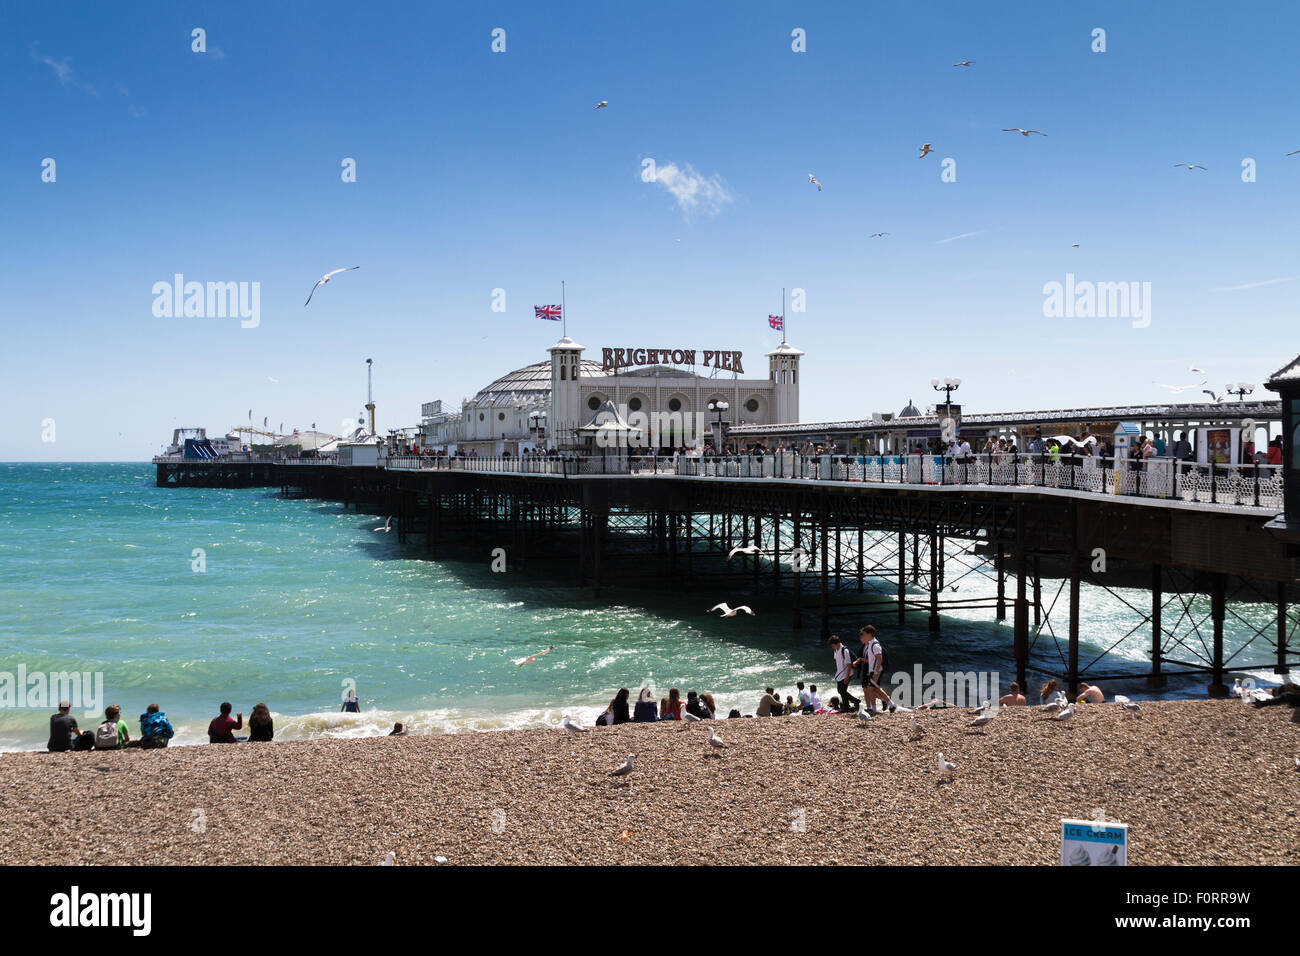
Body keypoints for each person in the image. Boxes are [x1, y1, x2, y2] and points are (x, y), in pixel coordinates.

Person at [855, 625, 895, 712]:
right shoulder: (870, 644)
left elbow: (880, 658)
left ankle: (885, 705)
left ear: (869, 634)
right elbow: (872, 659)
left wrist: (876, 672)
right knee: (874, 689)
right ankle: (887, 705)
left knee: (871, 689)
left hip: (876, 671)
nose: (863, 636)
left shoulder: (875, 644)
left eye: (864, 634)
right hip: (872, 670)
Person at [829, 636, 861, 712]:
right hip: (840, 674)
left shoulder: (845, 650)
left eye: (832, 645)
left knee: (842, 691)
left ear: (836, 643)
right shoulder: (836, 650)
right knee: (840, 690)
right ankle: (854, 702)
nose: (832, 647)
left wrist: (847, 677)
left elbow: (849, 664)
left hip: (847, 674)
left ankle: (847, 706)